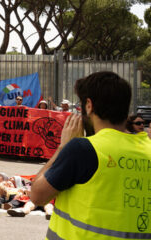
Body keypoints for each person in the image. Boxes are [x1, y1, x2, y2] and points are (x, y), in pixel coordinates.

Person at [30, 71, 151, 239]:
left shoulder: (83, 149)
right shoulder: (148, 148)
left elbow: (36, 196)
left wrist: (62, 147)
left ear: (89, 105)